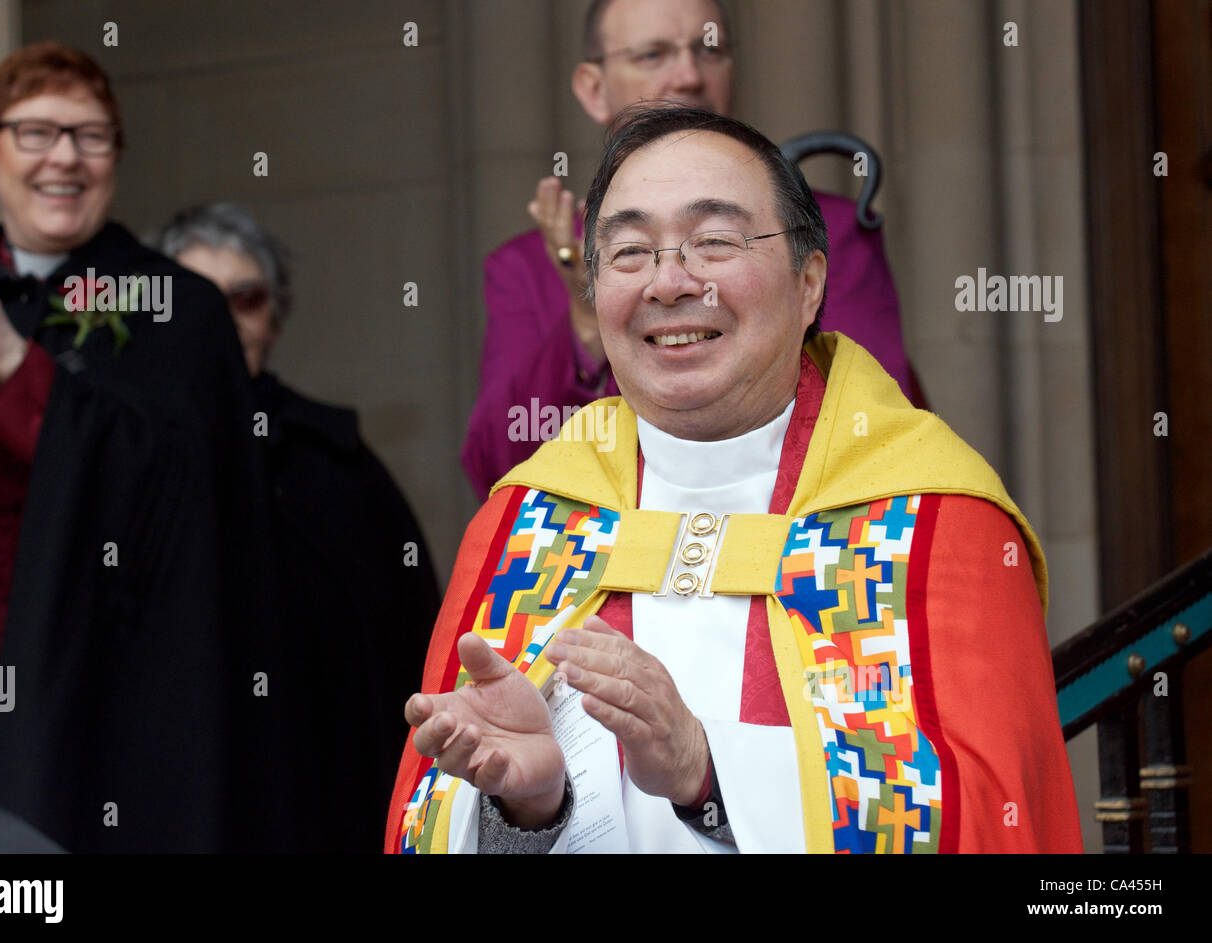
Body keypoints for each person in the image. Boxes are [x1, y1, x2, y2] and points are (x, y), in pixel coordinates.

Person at [387, 106, 1081, 854]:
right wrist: (523, 811)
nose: (671, 282)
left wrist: (707, 770)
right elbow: (424, 822)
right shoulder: (528, 523)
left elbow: (992, 821)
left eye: (714, 241)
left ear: (809, 282)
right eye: (628, 251)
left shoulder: (931, 515)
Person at [0, 42, 296, 852]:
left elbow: (181, 502)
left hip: (105, 701)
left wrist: (21, 372)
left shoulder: (178, 309)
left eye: (91, 136)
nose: (65, 157)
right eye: (36, 132)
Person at [461, 0, 925, 500]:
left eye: (709, 50)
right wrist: (585, 321)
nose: (688, 75)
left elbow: (880, 435)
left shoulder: (825, 228)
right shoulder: (523, 267)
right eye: (653, 54)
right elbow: (498, 467)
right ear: (594, 89)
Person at [159, 202, 441, 852]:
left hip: (319, 800)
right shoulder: (126, 451)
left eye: (246, 297)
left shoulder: (334, 460)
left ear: (275, 316)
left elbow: (401, 652)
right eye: (198, 299)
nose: (224, 319)